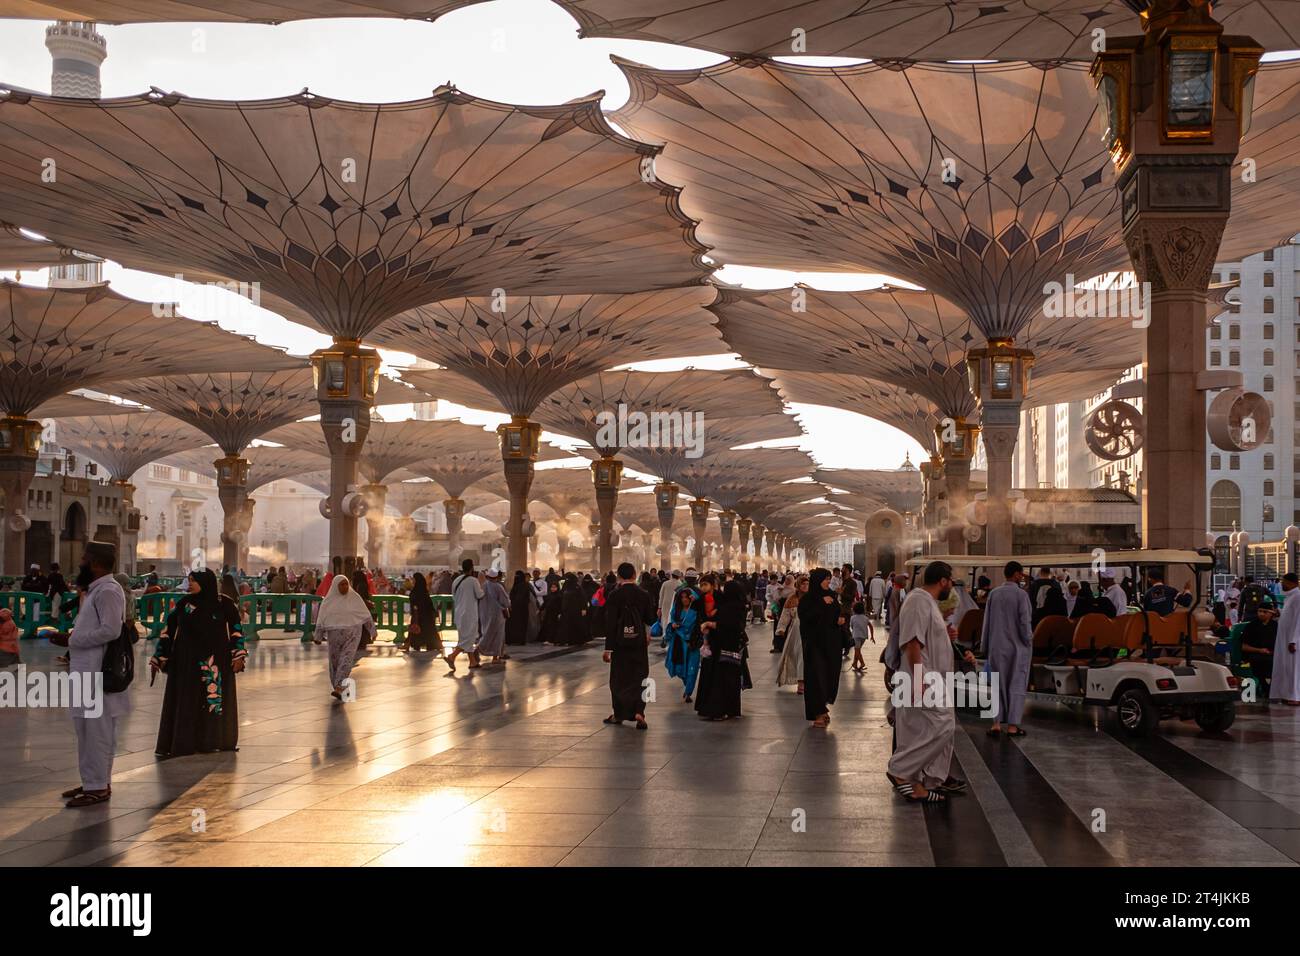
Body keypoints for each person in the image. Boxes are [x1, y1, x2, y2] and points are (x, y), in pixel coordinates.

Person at [886, 560, 962, 803]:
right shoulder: (918, 600)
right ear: (943, 581)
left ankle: (921, 782)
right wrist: (919, 678)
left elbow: (926, 636)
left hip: (931, 677)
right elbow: (912, 641)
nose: (951, 585)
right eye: (950, 580)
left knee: (923, 729)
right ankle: (900, 769)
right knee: (944, 723)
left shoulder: (927, 602)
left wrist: (946, 635)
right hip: (923, 676)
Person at [151, 568, 246, 757]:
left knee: (212, 701)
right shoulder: (184, 604)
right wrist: (160, 655)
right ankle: (186, 742)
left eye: (194, 580)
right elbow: (168, 630)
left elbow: (236, 630)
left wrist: (238, 655)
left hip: (214, 663)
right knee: (187, 701)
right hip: (186, 662)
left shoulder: (224, 604)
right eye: (189, 580)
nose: (190, 584)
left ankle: (211, 741)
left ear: (206, 582)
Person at [61, 542, 128, 808]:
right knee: (86, 730)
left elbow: (111, 630)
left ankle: (98, 786)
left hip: (96, 671)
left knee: (97, 730)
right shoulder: (96, 590)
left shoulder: (109, 591)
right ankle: (92, 780)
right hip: (85, 669)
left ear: (96, 564)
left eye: (84, 559)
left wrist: (74, 640)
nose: (80, 563)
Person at [602, 562, 657, 729]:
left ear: (619, 576)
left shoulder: (614, 595)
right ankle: (639, 712)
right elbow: (650, 619)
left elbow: (610, 624)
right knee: (640, 677)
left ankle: (619, 714)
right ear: (634, 575)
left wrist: (608, 648)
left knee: (619, 679)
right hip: (638, 643)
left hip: (620, 645)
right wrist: (646, 633)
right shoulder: (643, 594)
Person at [982, 561, 1033, 737]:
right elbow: (1024, 621)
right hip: (1017, 649)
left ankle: (996, 724)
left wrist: (985, 646)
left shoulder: (994, 594)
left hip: (996, 647)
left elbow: (986, 622)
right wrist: (1028, 639)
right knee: (1016, 684)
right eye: (1021, 574)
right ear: (1017, 574)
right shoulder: (1021, 595)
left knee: (996, 685)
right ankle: (1012, 726)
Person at [694, 578, 748, 720]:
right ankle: (731, 709)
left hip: (723, 647)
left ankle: (718, 710)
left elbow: (725, 625)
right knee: (731, 679)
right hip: (733, 648)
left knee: (721, 679)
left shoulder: (729, 607)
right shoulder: (740, 605)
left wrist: (709, 624)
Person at [317, 574, 377, 699]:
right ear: (335, 586)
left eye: (346, 584)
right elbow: (321, 618)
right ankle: (339, 687)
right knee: (335, 661)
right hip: (334, 636)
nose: (344, 587)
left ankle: (339, 686)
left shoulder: (354, 598)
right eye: (341, 585)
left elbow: (365, 615)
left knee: (346, 659)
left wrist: (372, 631)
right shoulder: (328, 601)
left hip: (353, 634)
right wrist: (318, 635)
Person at [800, 568, 843, 728]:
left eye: (829, 579)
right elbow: (806, 619)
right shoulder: (809, 599)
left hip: (831, 644)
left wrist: (840, 619)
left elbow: (837, 612)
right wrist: (820, 604)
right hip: (815, 645)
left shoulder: (832, 595)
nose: (828, 582)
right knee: (816, 677)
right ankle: (818, 712)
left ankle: (823, 708)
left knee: (829, 676)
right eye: (825, 579)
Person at [664, 585, 702, 702]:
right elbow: (670, 626)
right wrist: (673, 626)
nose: (684, 600)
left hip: (692, 643)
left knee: (692, 668)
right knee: (681, 668)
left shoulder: (696, 611)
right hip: (679, 644)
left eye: (687, 597)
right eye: (682, 597)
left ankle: (688, 692)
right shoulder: (676, 611)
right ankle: (687, 686)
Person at [448, 559, 483, 672]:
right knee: (469, 638)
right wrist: (483, 584)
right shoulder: (473, 580)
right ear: (472, 568)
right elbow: (480, 595)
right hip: (469, 613)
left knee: (465, 637)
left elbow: (454, 596)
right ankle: (452, 656)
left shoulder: (456, 580)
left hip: (458, 612)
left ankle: (472, 662)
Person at [1272, 572, 1300, 705]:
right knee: (1285, 667)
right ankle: (1286, 694)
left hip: (1293, 640)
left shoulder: (1298, 597)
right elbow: (1289, 615)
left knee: (1294, 668)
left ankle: (1295, 696)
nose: (1282, 584)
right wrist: (1280, 613)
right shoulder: (1289, 597)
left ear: (1293, 583)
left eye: (1285, 582)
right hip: (1285, 638)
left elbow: (1299, 621)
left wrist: (1294, 640)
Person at [776, 576, 807, 692]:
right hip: (796, 632)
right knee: (799, 656)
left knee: (806, 656)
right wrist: (781, 628)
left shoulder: (812, 598)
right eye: (802, 584)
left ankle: (806, 681)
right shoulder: (792, 599)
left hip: (810, 631)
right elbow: (785, 615)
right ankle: (801, 682)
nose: (805, 586)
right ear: (798, 585)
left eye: (807, 584)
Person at [1239, 599, 1276, 690]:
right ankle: (1265, 687)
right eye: (1260, 611)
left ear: (1271, 614)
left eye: (1265, 612)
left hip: (1272, 655)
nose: (1261, 614)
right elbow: (1244, 647)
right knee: (1263, 663)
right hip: (1255, 655)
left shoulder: (1276, 626)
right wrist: (1260, 650)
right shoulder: (1251, 626)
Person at [476, 567, 510, 662]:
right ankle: (486, 653)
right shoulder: (498, 587)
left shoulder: (483, 585)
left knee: (486, 632)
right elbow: (505, 602)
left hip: (484, 614)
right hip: (497, 615)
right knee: (497, 635)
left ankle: (481, 650)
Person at [406, 572, 442, 654]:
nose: (412, 581)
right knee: (428, 631)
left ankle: (415, 645)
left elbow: (415, 606)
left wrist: (415, 616)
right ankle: (431, 645)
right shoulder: (424, 591)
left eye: (414, 579)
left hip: (418, 616)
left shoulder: (415, 592)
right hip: (427, 617)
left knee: (417, 631)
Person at [559, 572, 589, 645]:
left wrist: (583, 608)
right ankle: (565, 640)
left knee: (576, 625)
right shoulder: (565, 587)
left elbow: (583, 598)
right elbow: (561, 597)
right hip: (566, 610)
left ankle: (577, 640)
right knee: (565, 625)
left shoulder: (577, 587)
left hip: (576, 610)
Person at [506, 570, 532, 647]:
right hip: (519, 609)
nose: (516, 578)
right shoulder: (521, 585)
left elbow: (520, 598)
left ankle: (518, 640)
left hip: (519, 609)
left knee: (518, 625)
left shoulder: (523, 586)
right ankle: (517, 640)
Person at [849, 600, 873, 673]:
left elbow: (851, 626)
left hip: (856, 636)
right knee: (858, 650)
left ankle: (862, 663)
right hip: (863, 636)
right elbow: (870, 626)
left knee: (857, 650)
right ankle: (854, 664)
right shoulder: (865, 618)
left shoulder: (853, 617)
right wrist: (872, 636)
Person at [658, 570, 682, 637]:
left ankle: (664, 635)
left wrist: (659, 607)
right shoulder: (680, 584)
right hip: (675, 604)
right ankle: (672, 635)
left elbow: (661, 596)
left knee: (665, 619)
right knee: (673, 619)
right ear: (679, 576)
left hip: (665, 604)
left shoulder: (665, 583)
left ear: (672, 575)